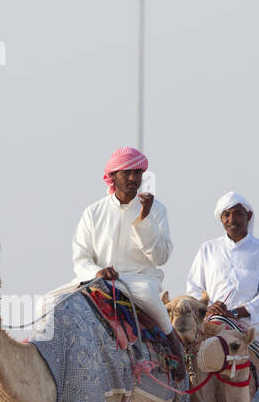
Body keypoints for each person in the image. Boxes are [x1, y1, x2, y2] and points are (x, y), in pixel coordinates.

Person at [71, 146, 185, 361]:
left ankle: (174, 344)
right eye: (127, 172)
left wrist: (145, 218)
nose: (133, 178)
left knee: (151, 299)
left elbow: (160, 258)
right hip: (97, 280)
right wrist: (96, 272)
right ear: (113, 175)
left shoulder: (156, 210)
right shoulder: (93, 212)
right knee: (49, 303)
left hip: (139, 279)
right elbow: (81, 258)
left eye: (138, 173)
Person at [185, 191, 259, 365]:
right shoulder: (208, 249)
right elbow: (194, 288)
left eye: (237, 214)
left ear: (248, 216)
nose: (232, 219)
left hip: (250, 323)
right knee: (182, 355)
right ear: (221, 219)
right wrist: (210, 307)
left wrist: (234, 313)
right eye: (226, 215)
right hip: (211, 320)